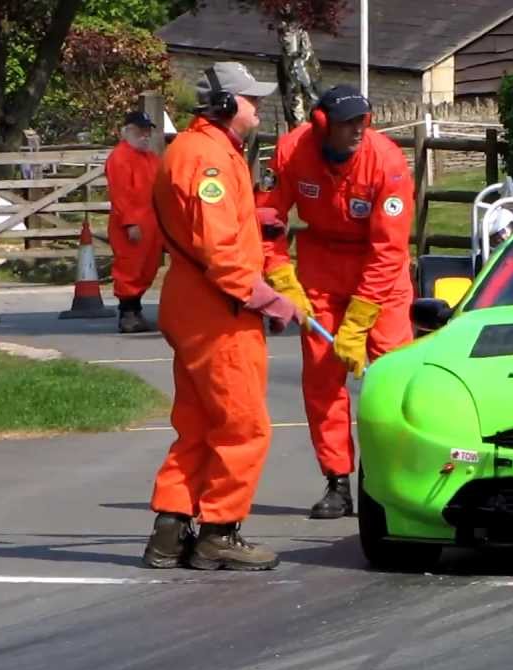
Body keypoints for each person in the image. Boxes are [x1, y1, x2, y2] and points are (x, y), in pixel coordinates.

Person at [143, 61, 303, 571]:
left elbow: (211, 228)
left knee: (197, 425)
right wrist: (262, 296)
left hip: (198, 307)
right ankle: (218, 532)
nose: (258, 106)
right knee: (243, 426)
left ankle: (170, 533)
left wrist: (256, 223)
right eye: (251, 98)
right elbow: (218, 248)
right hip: (217, 313)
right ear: (229, 106)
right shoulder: (208, 158)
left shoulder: (203, 151)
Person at [258, 85, 415, 520]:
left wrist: (360, 320)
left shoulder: (387, 162)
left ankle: (392, 480)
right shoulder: (291, 152)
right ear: (323, 124)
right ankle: (337, 481)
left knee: (391, 380)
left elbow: (389, 250)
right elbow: (267, 220)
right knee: (322, 380)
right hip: (320, 270)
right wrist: (283, 278)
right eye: (347, 122)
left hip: (380, 275)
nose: (358, 130)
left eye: (362, 120)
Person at [104, 110, 163, 333]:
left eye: (147, 130)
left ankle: (135, 312)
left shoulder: (149, 158)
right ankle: (127, 314)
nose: (145, 135)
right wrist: (130, 224)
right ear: (127, 131)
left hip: (151, 224)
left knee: (147, 268)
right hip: (131, 226)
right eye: (141, 130)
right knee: (129, 268)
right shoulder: (120, 158)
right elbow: (120, 194)